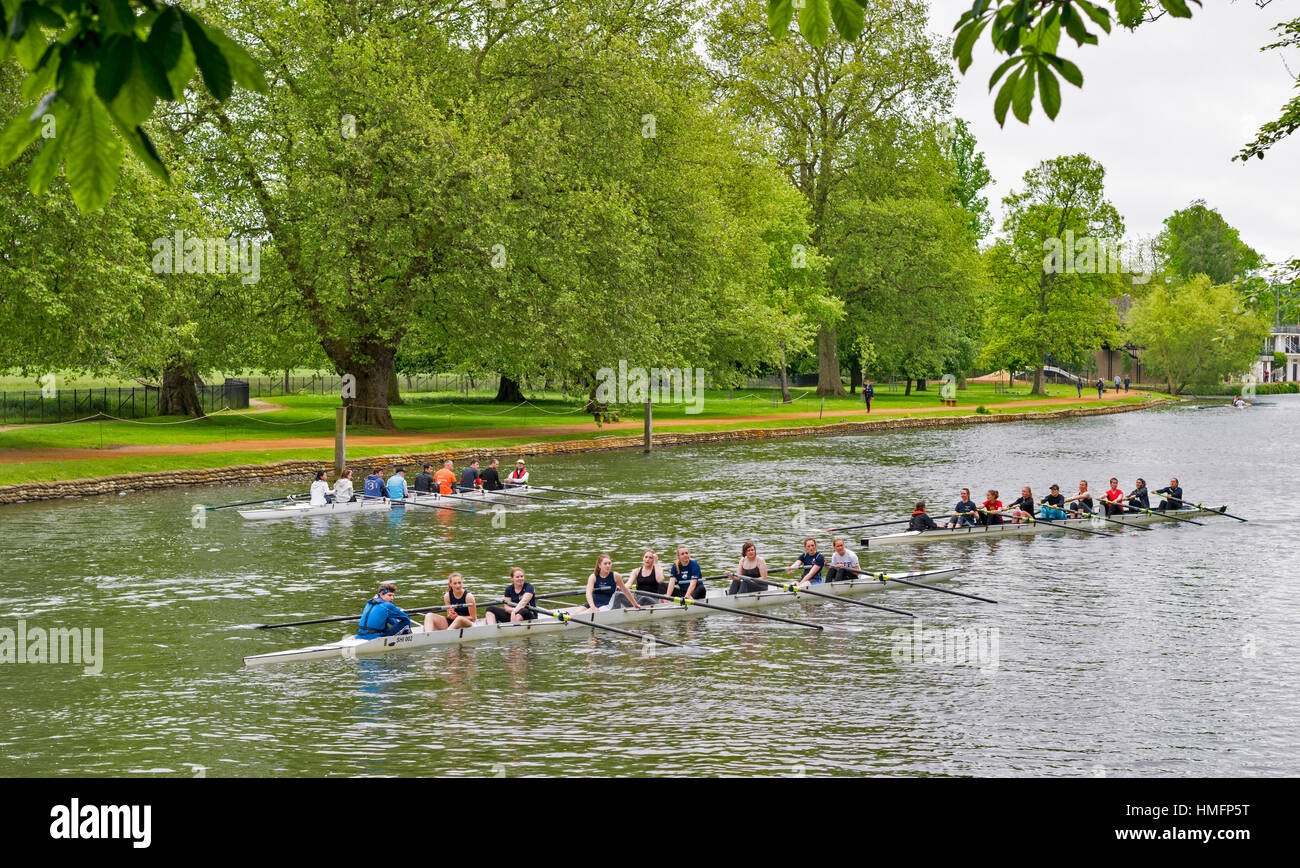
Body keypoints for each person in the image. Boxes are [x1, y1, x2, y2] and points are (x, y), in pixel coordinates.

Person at [358, 583, 435, 639]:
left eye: (393, 596)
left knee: (387, 622)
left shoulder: (369, 603)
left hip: (360, 635)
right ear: (381, 594)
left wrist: (397, 625)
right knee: (406, 622)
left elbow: (392, 622)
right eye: (389, 595)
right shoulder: (387, 606)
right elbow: (406, 619)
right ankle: (410, 639)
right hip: (373, 637)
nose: (392, 598)